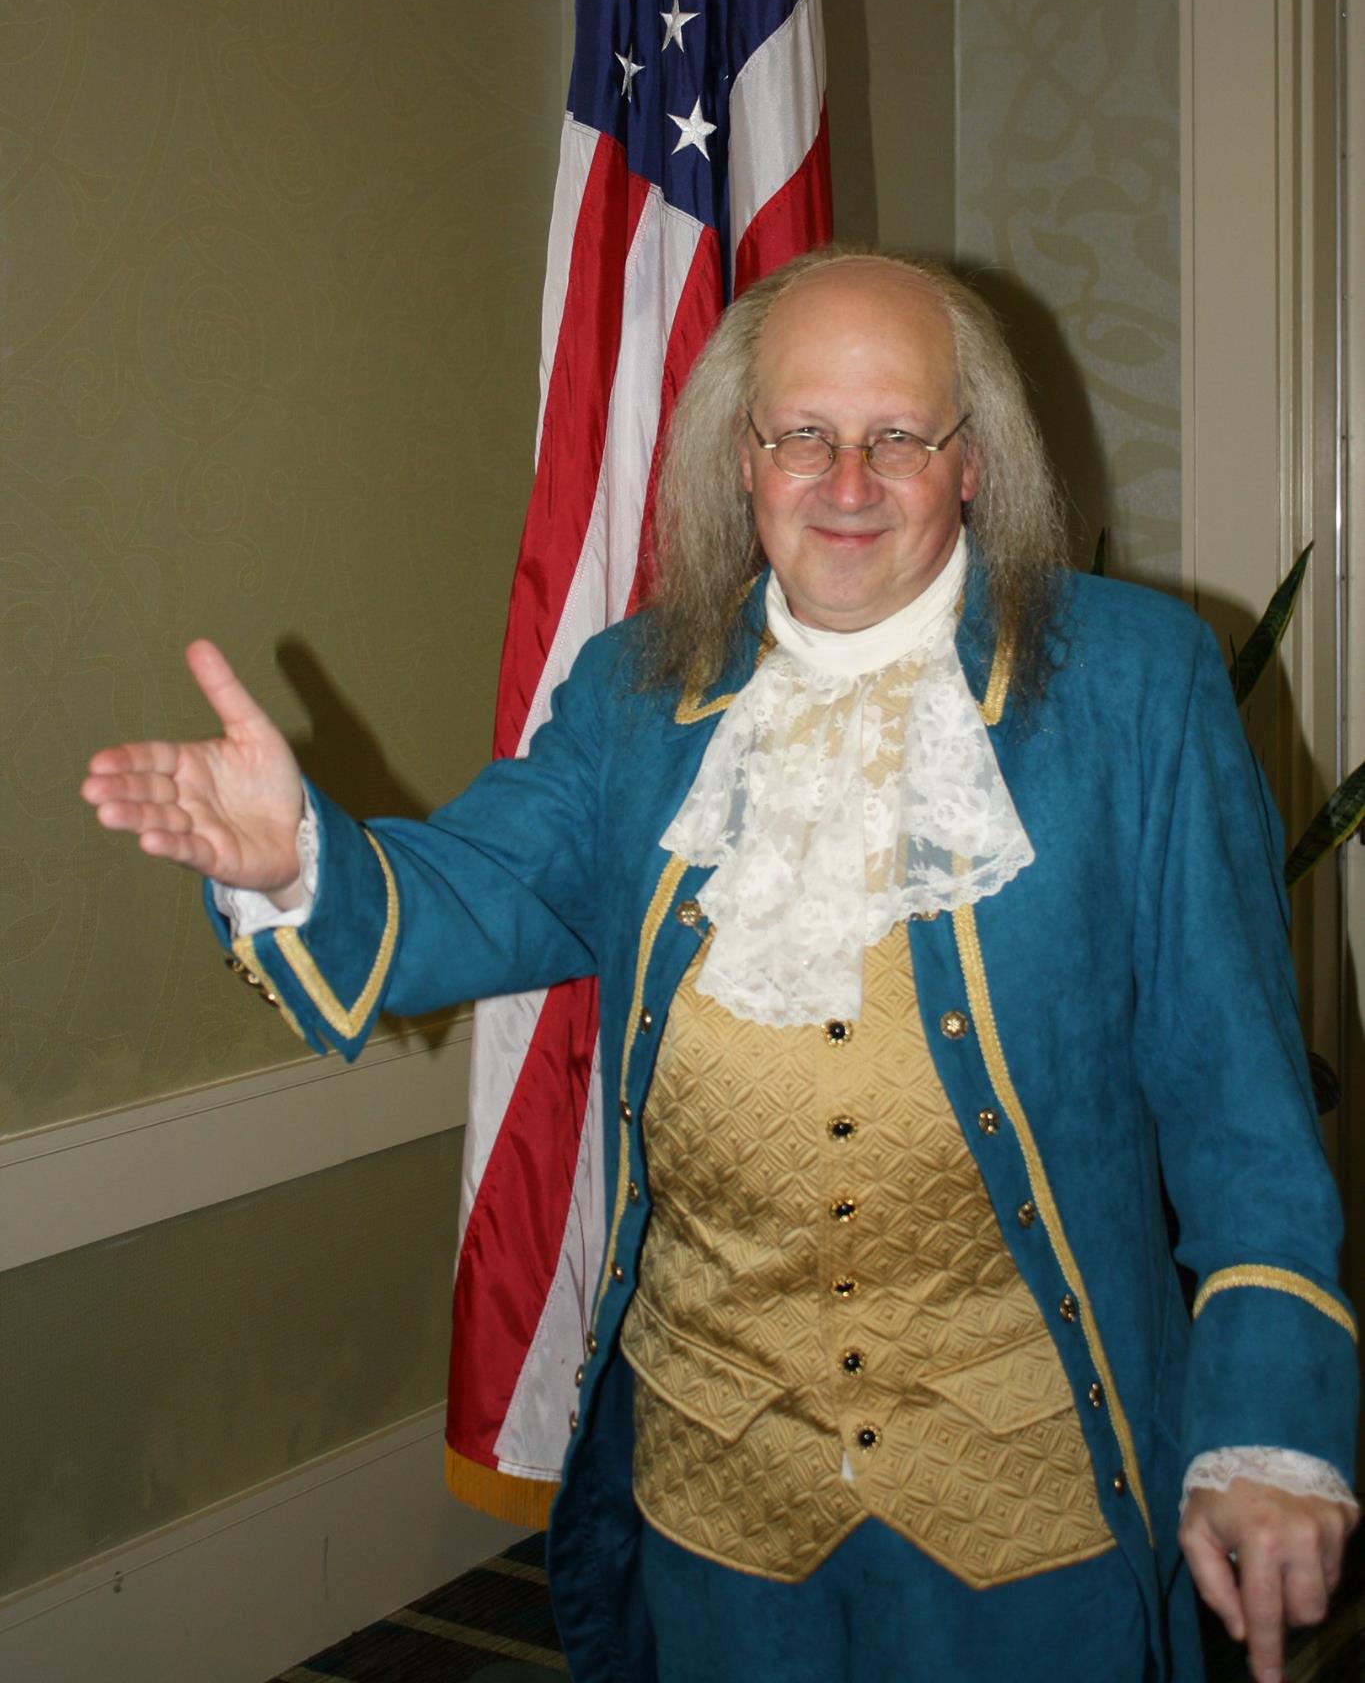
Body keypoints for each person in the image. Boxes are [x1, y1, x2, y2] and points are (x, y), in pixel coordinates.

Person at [83, 250, 1358, 1683]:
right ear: (740, 463)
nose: (847, 480)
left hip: (1032, 1514)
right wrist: (294, 857)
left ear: (976, 465)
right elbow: (467, 893)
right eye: (802, 434)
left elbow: (1239, 1105)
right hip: (716, 1501)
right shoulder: (636, 695)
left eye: (898, 437)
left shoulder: (1136, 685)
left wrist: (1269, 1422)